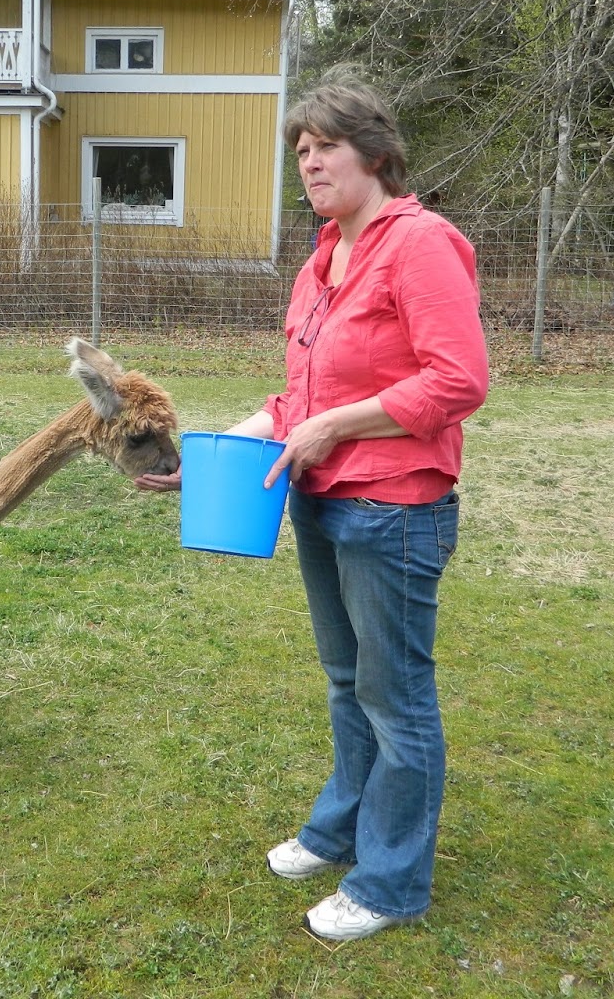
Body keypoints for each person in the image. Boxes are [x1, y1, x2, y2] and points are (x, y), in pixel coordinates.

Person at [136, 70, 489, 942]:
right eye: (301, 150)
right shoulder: (321, 258)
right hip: (321, 503)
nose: (310, 162)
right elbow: (299, 398)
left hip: (394, 510)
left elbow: (458, 381)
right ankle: (340, 831)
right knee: (346, 682)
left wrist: (334, 425)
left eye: (326, 146)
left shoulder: (421, 244)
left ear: (374, 152)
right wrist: (217, 457)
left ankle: (390, 883)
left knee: (396, 698)